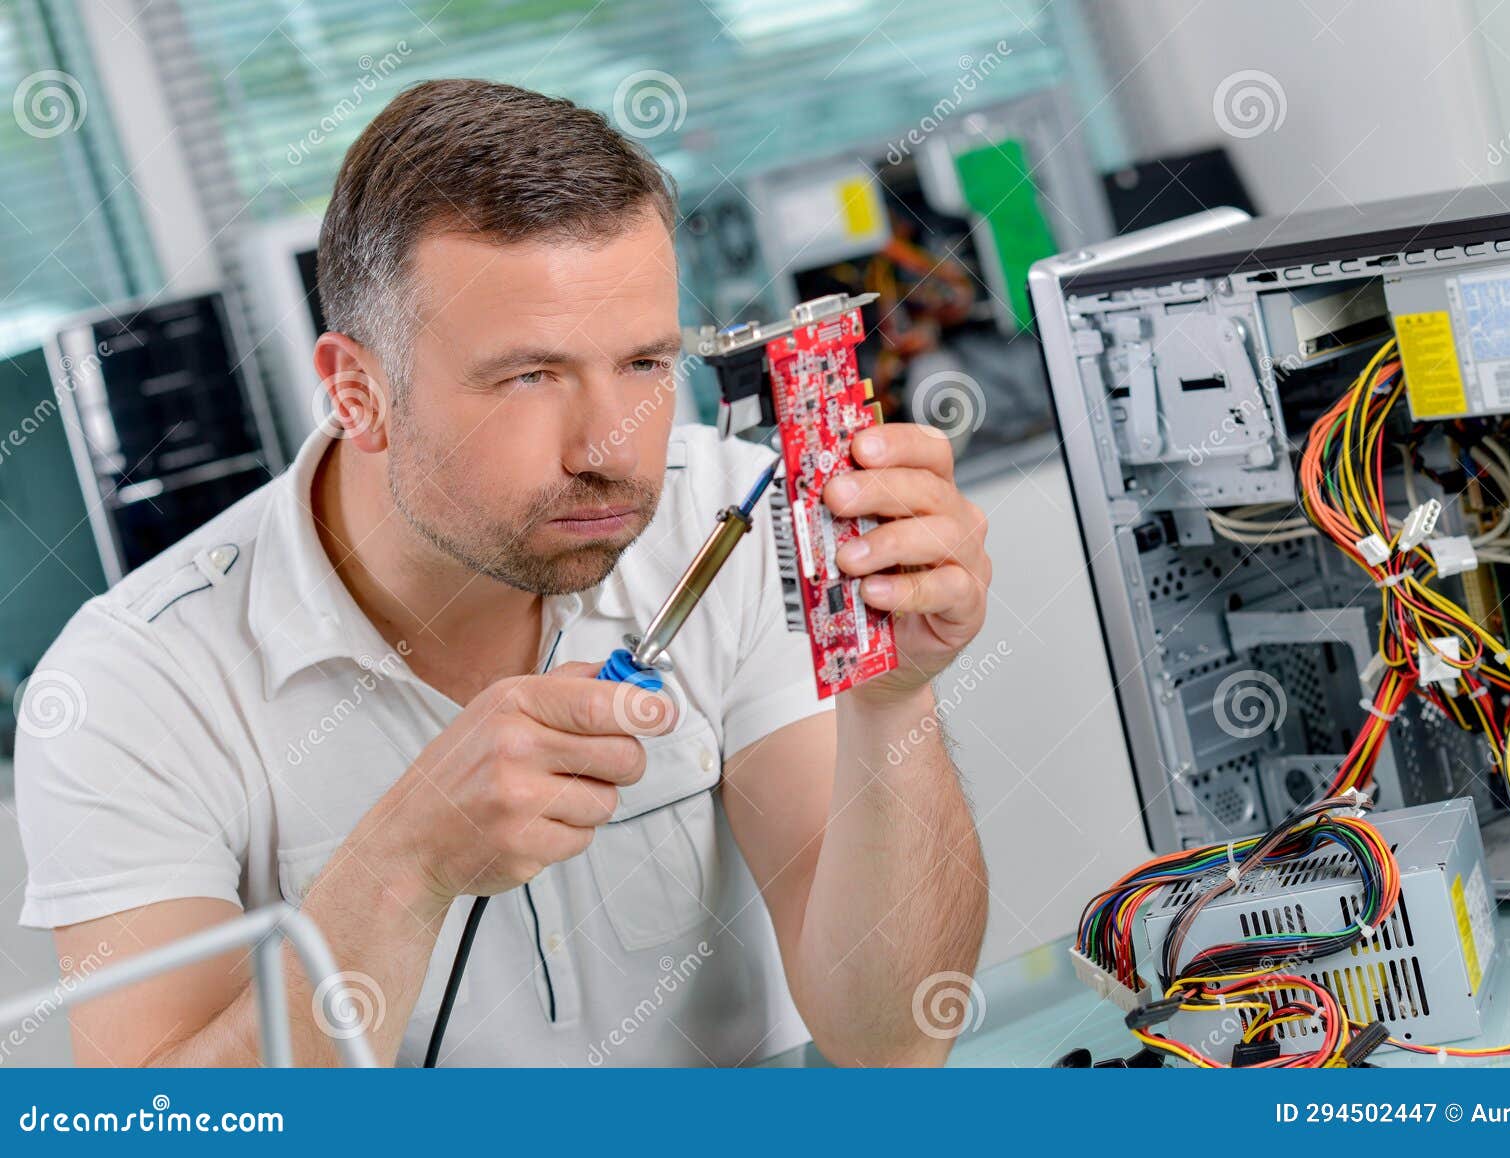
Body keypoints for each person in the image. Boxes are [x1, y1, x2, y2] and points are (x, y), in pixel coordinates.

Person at [15, 79, 992, 1067]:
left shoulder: (729, 517)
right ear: (357, 392)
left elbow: (892, 1043)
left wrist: (891, 700)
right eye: (529, 377)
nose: (609, 449)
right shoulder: (128, 688)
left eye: (645, 366)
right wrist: (405, 868)